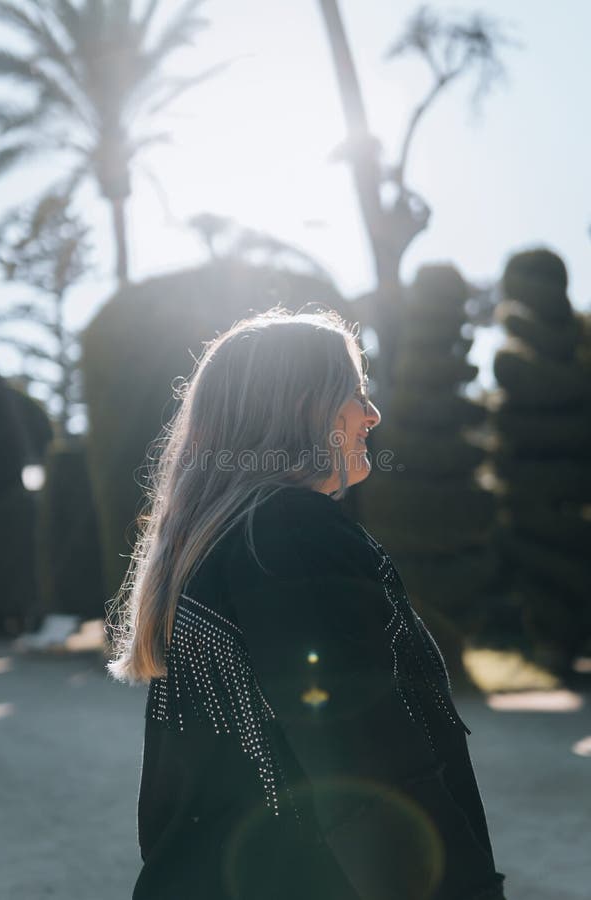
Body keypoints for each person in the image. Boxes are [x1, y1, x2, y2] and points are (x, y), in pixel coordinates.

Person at [108, 308, 507, 900]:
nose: (372, 415)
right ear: (300, 406)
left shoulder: (221, 543)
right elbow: (361, 757)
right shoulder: (290, 534)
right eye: (354, 392)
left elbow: (171, 795)